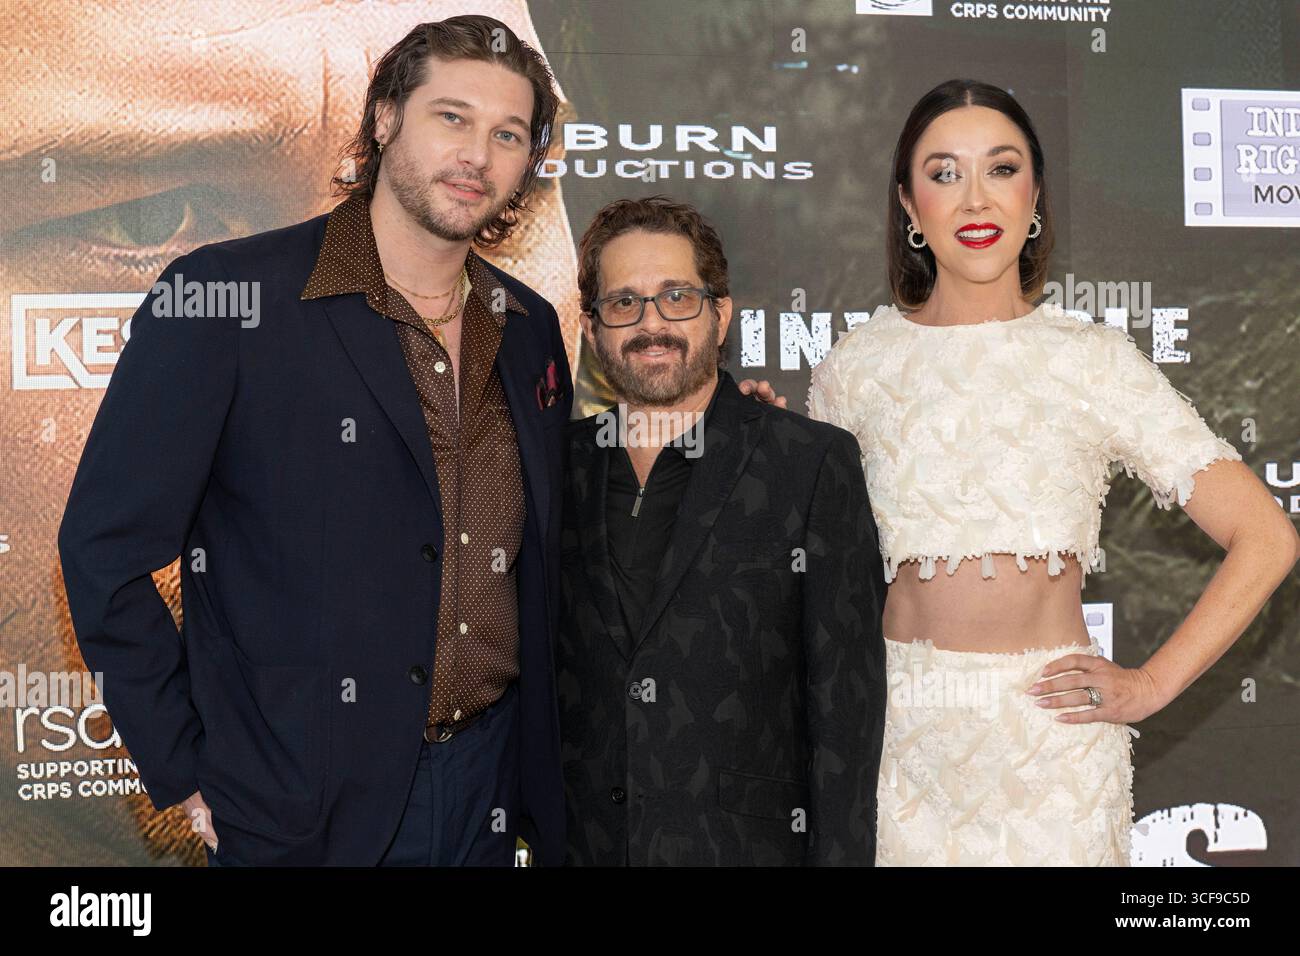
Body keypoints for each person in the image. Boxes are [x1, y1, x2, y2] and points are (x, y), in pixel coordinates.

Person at [57, 16, 572, 866]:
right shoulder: (228, 296)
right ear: (384, 119)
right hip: (301, 806)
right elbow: (103, 548)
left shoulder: (526, 326)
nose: (477, 152)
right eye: (452, 116)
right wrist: (182, 764)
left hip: (491, 785)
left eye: (507, 133)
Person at [796, 79, 1300, 866]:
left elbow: (1265, 536)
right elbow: (807, 562)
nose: (974, 199)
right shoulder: (855, 369)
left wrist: (1153, 685)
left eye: (1000, 169)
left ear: (1034, 198)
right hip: (899, 745)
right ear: (907, 205)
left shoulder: (1091, 361)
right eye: (943, 172)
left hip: (1053, 749)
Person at [557, 196, 887, 865]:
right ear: (592, 331)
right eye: (623, 303)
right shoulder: (553, 467)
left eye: (677, 296)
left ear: (721, 313)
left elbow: (846, 716)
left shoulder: (809, 463)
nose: (652, 324)